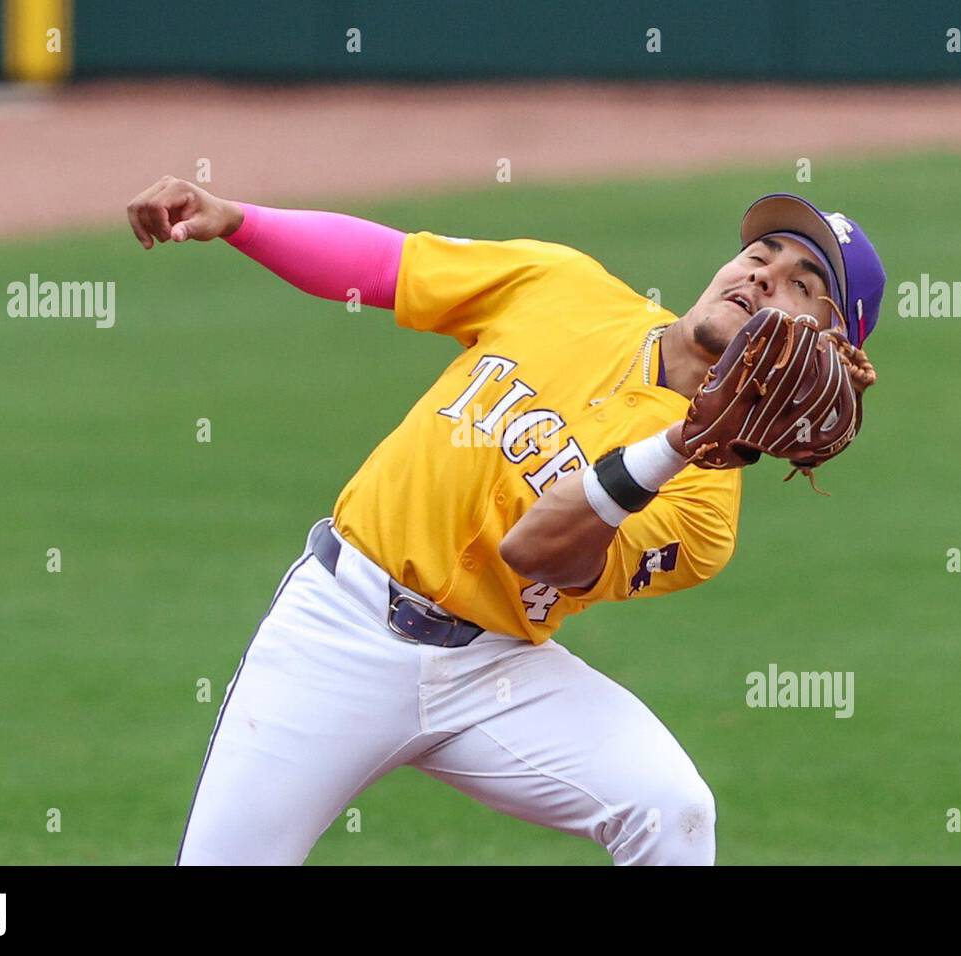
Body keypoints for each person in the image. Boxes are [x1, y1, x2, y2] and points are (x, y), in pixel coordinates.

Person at [125, 177, 885, 865]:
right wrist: (240, 220)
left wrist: (682, 443)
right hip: (337, 628)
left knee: (672, 807)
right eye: (761, 252)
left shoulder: (705, 507)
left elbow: (539, 553)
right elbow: (394, 266)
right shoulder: (567, 287)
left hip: (492, 673)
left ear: (828, 349)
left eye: (801, 283)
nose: (761, 275)